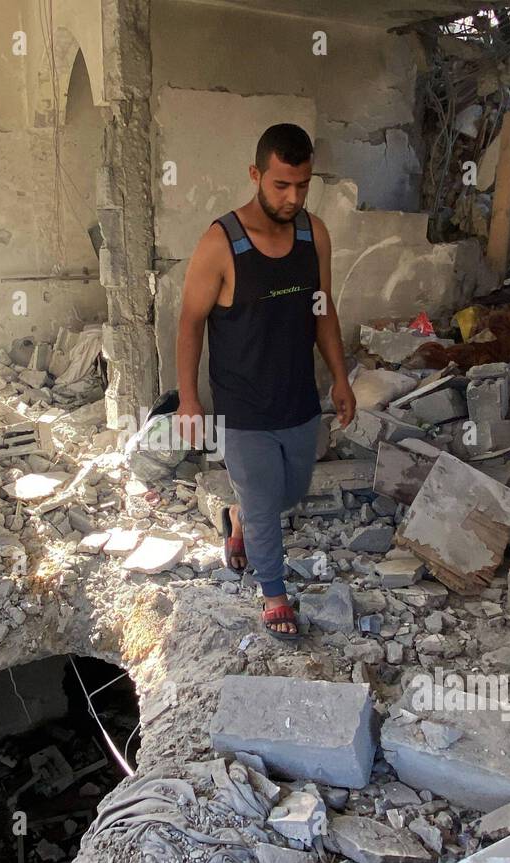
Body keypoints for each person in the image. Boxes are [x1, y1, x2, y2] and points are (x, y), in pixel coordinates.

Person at [174, 123, 355, 637]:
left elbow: (322, 308)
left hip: (299, 396)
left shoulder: (312, 234)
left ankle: (237, 518)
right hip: (243, 405)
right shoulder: (222, 243)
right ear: (256, 175)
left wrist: (340, 377)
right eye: (281, 185)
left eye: (302, 185)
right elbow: (190, 321)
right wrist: (189, 399)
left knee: (288, 494)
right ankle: (273, 593)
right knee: (264, 505)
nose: (293, 197)